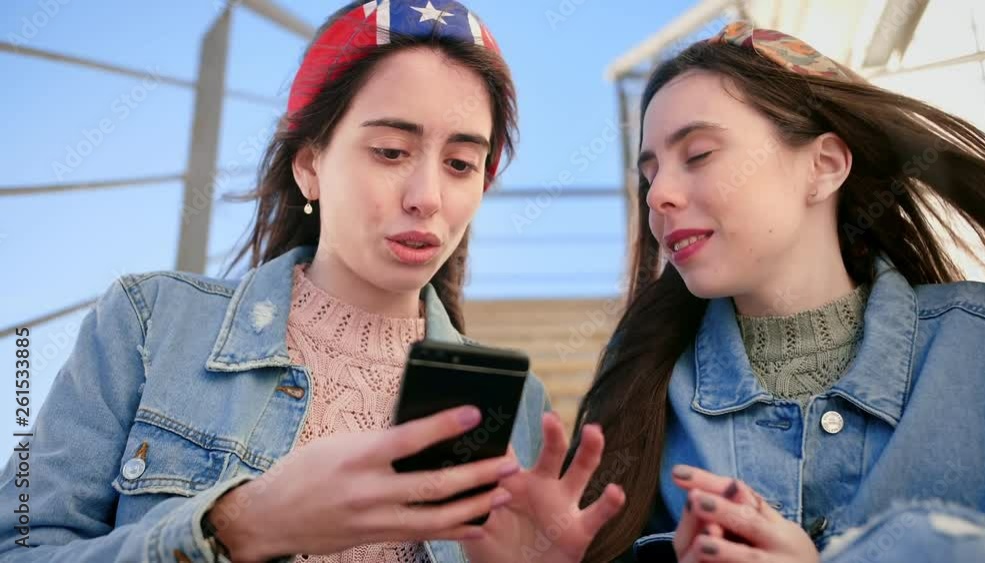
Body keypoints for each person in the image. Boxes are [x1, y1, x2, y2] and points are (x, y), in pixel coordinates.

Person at [0, 2, 624, 562]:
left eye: (461, 165)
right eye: (390, 152)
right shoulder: (149, 323)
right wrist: (236, 527)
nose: (428, 198)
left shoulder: (519, 407)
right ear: (310, 166)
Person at [569, 20, 985, 562]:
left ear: (823, 166)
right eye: (648, 176)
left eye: (698, 154)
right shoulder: (644, 391)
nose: (659, 196)